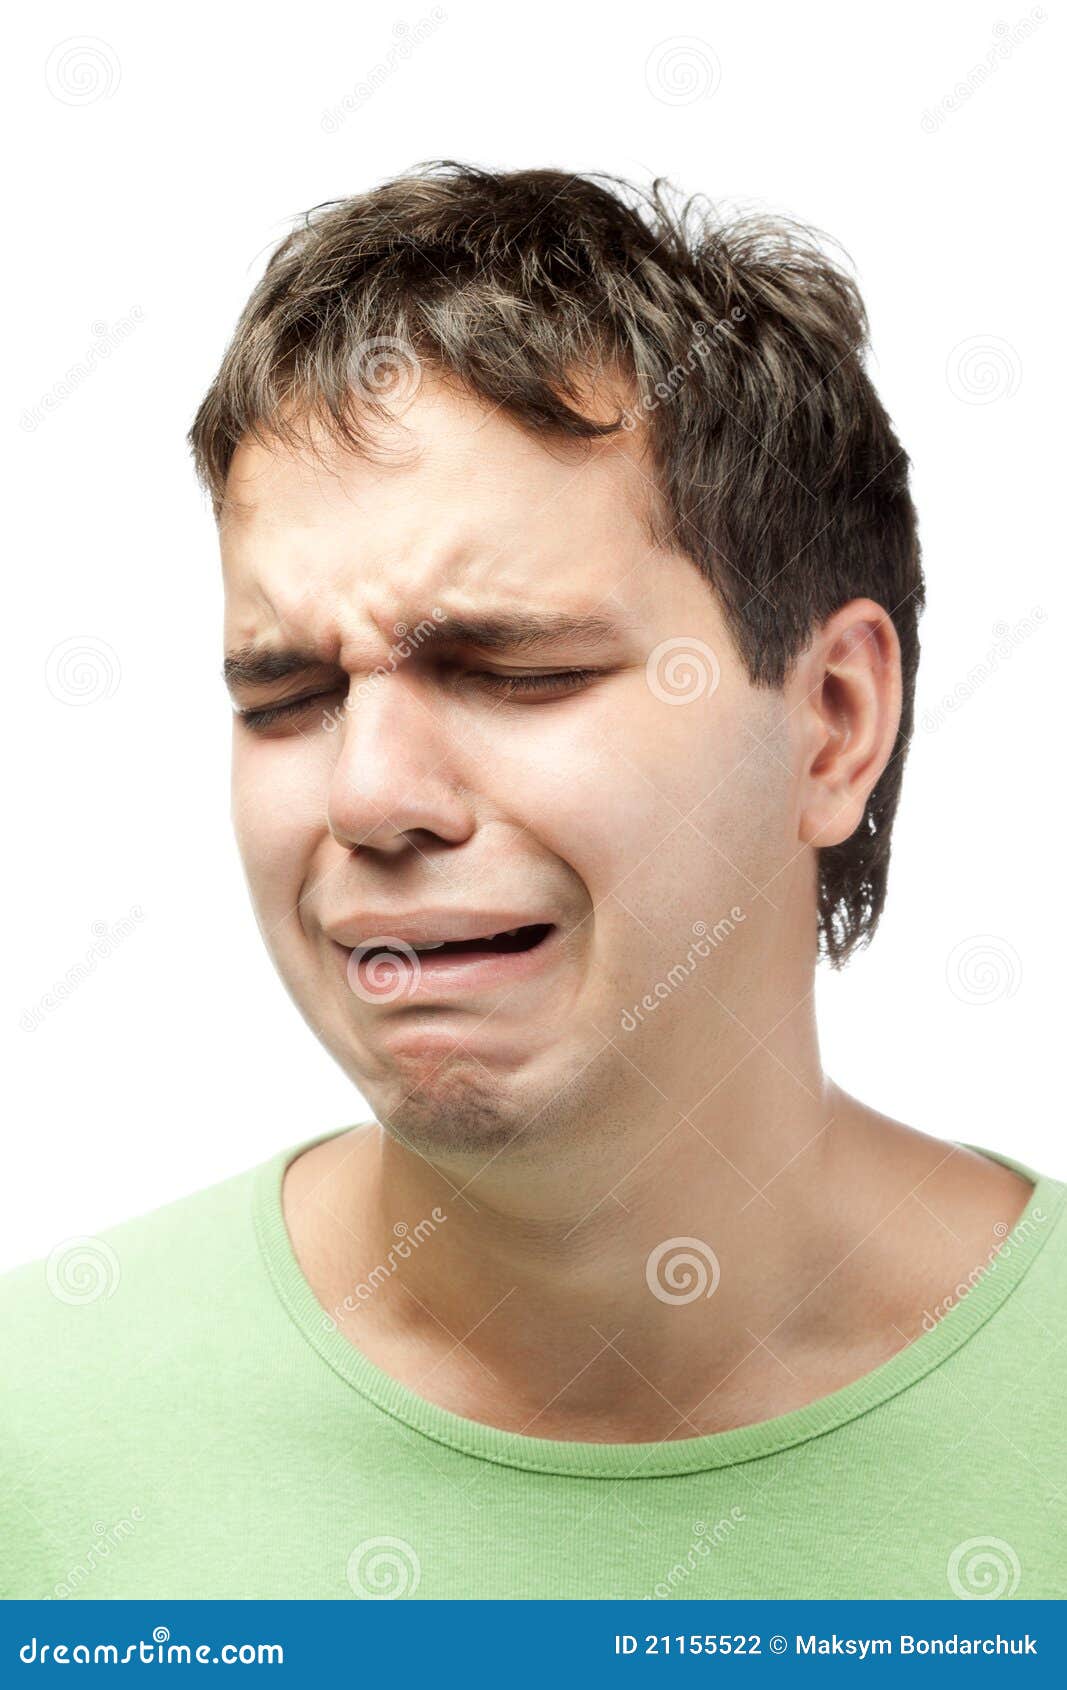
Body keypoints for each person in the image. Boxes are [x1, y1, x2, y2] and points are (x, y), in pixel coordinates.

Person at [3, 163, 1062, 1602]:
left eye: (514, 669)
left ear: (832, 719)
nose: (368, 794)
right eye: (284, 694)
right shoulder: (44, 1432)